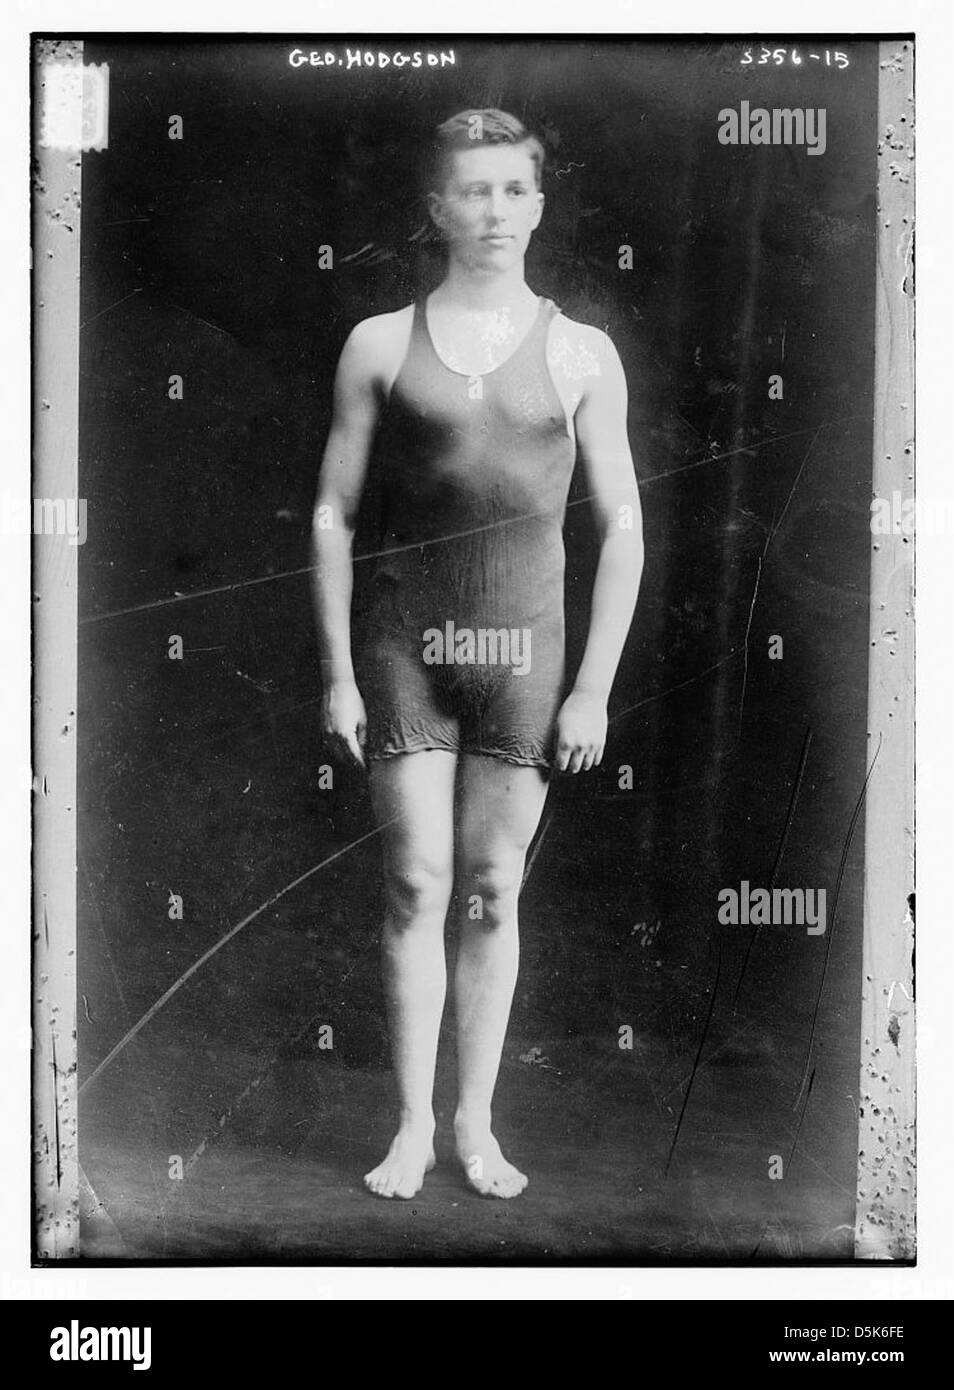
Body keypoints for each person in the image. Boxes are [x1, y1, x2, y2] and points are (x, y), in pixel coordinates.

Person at [311, 109, 643, 1200]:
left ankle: (474, 1125)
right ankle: (410, 1124)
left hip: (527, 657)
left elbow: (623, 528)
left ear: (539, 205)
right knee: (416, 884)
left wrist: (591, 688)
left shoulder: (582, 353)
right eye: (473, 190)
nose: (494, 210)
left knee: (494, 889)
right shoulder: (377, 341)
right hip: (407, 643)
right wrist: (337, 672)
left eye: (513, 189)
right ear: (436, 207)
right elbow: (330, 514)